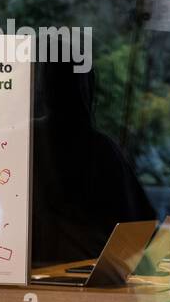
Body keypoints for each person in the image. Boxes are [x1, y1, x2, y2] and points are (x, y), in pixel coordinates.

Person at [31, 61, 156, 267]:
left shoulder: (21, 139)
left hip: (26, 275)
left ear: (42, 88)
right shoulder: (101, 149)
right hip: (90, 277)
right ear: (88, 89)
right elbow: (140, 226)